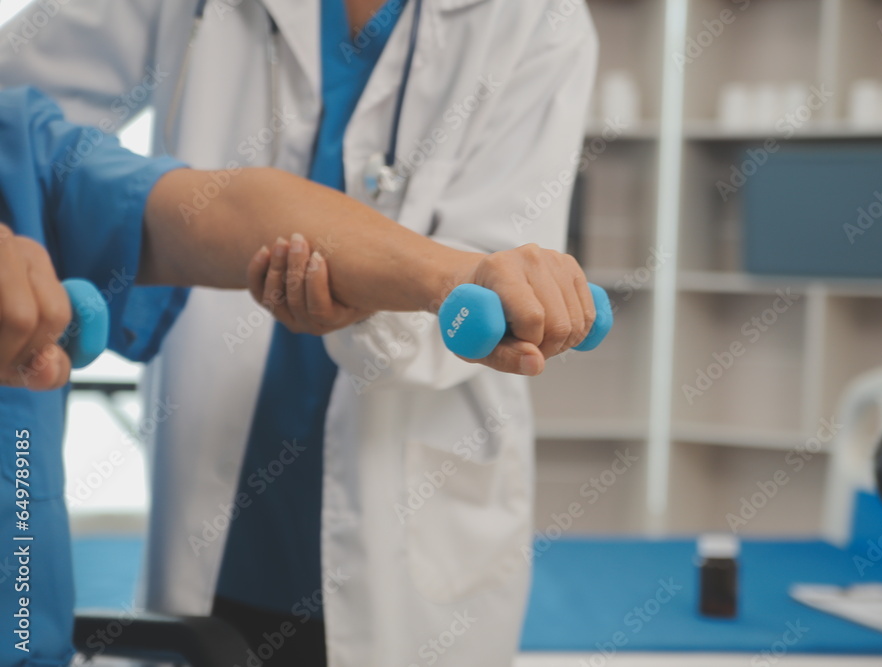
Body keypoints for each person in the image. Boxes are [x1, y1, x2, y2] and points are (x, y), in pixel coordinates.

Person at [0, 1, 598, 663]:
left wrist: (468, 275)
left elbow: (233, 209)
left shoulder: (536, 20)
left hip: (409, 501)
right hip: (221, 513)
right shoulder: (24, 141)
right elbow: (30, 116)